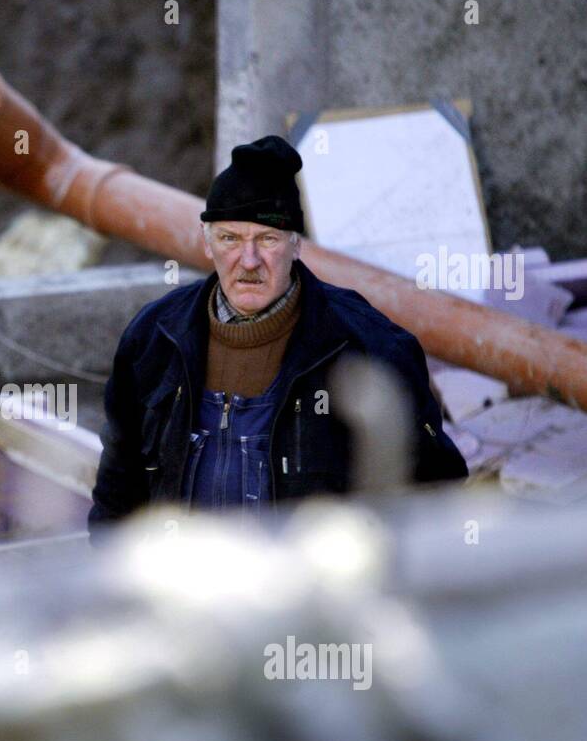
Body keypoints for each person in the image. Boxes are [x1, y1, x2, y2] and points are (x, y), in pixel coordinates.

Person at [88, 135, 468, 536]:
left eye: (266, 239)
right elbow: (117, 492)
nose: (248, 261)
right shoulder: (155, 338)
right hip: (182, 593)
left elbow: (433, 500)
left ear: (296, 245)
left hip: (311, 595)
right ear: (207, 242)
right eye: (230, 238)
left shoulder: (370, 348)